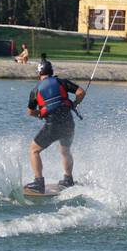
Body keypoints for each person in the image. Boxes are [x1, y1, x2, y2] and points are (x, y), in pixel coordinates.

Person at [24, 65, 86, 194]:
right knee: (65, 150)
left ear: (39, 74)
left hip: (53, 125)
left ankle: (38, 182)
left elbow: (30, 112)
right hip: (69, 123)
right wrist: (75, 103)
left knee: (34, 150)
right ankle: (68, 179)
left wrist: (40, 114)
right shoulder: (61, 82)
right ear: (51, 72)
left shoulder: (35, 90)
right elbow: (81, 92)